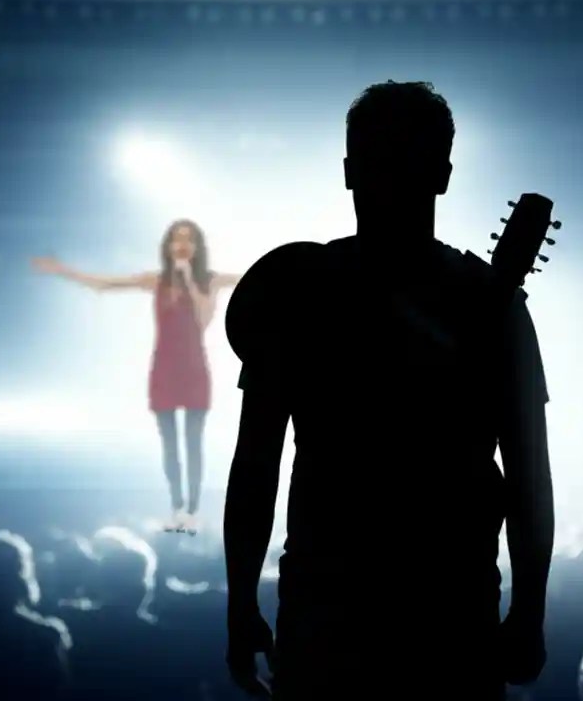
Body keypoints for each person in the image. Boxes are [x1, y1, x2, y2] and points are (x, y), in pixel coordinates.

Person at [222, 81, 555, 699]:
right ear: (444, 176)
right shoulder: (495, 306)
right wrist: (529, 611)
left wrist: (241, 602)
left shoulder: (297, 291)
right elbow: (529, 477)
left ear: (348, 171)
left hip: (326, 611)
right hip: (451, 611)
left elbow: (255, 465)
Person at [32, 219, 241, 533]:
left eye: (189, 239)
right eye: (176, 239)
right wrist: (62, 270)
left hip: (195, 369)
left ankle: (193, 510)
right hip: (164, 369)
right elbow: (104, 284)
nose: (182, 244)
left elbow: (203, 320)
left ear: (198, 246)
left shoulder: (210, 281)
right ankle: (176, 508)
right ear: (168, 246)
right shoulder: (155, 280)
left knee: (193, 443)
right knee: (170, 444)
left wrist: (189, 280)